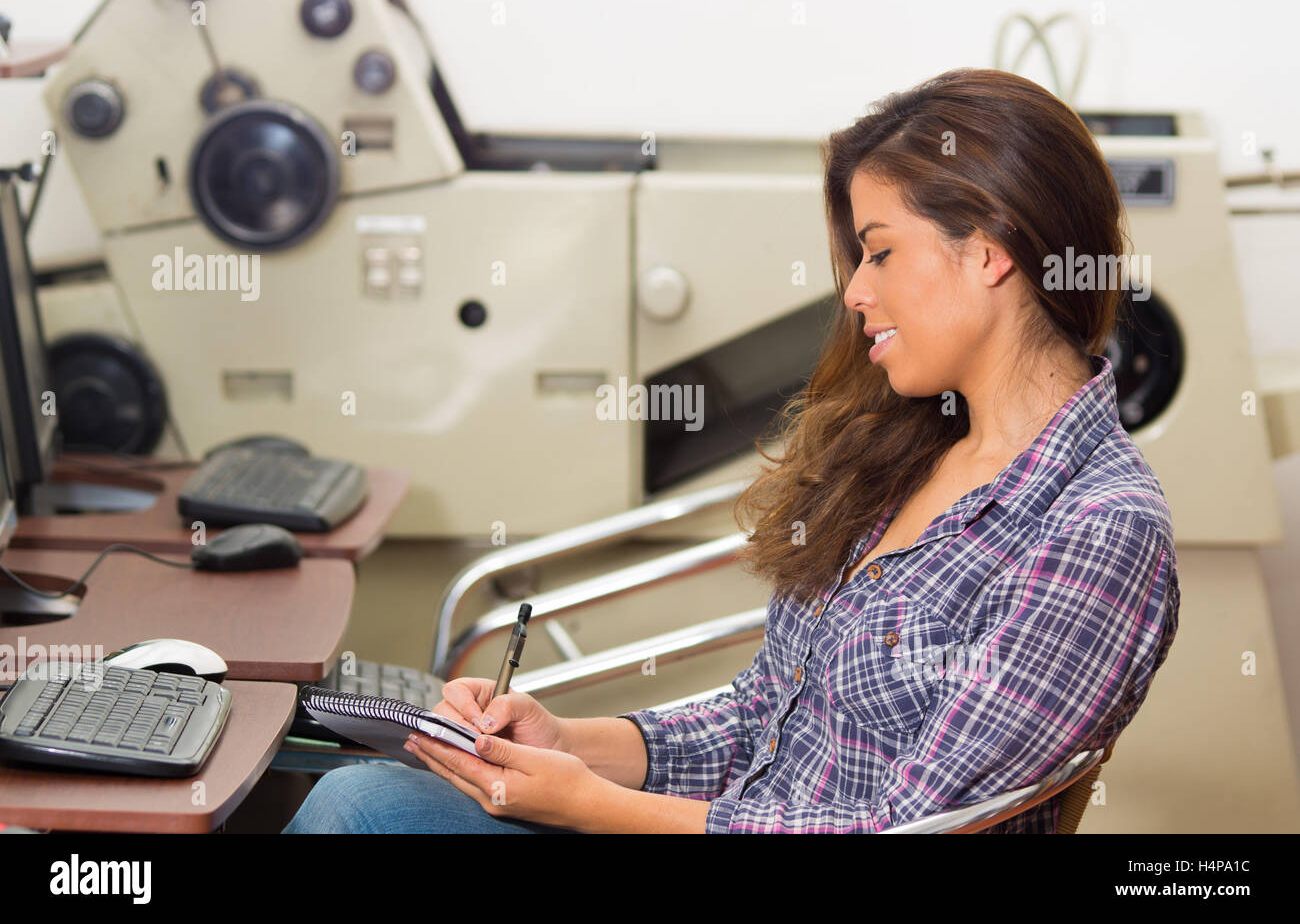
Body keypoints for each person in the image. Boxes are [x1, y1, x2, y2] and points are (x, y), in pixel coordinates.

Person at [283, 67, 1180, 834]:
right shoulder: (915, 451)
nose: (856, 293)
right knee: (358, 799)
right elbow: (764, 719)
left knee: (358, 812)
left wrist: (584, 804)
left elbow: (899, 830)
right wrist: (565, 743)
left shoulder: (1099, 530)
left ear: (988, 252)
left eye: (878, 253)